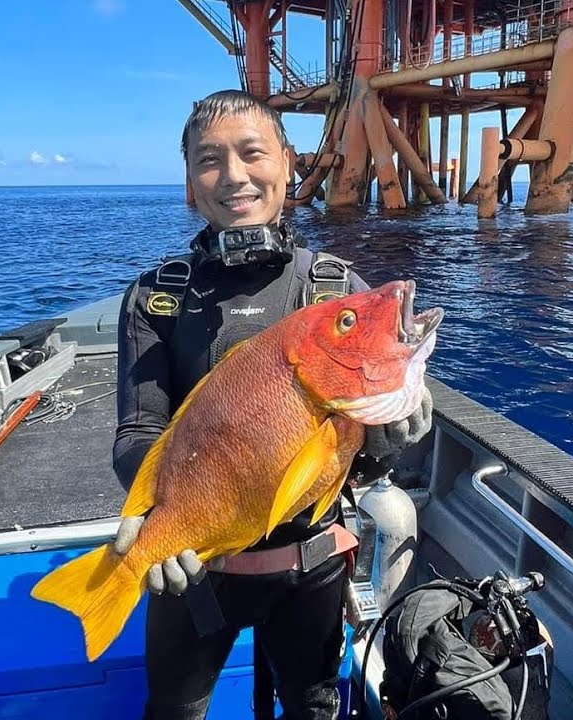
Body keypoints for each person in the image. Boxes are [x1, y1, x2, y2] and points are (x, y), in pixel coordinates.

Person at [111, 89, 434, 720]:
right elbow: (139, 430)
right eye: (208, 160)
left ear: (290, 164)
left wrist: (389, 437)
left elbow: (357, 467)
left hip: (311, 568)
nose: (232, 175)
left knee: (313, 706)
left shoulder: (339, 291)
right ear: (188, 183)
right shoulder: (156, 298)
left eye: (252, 153)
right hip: (196, 572)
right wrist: (156, 520)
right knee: (173, 710)